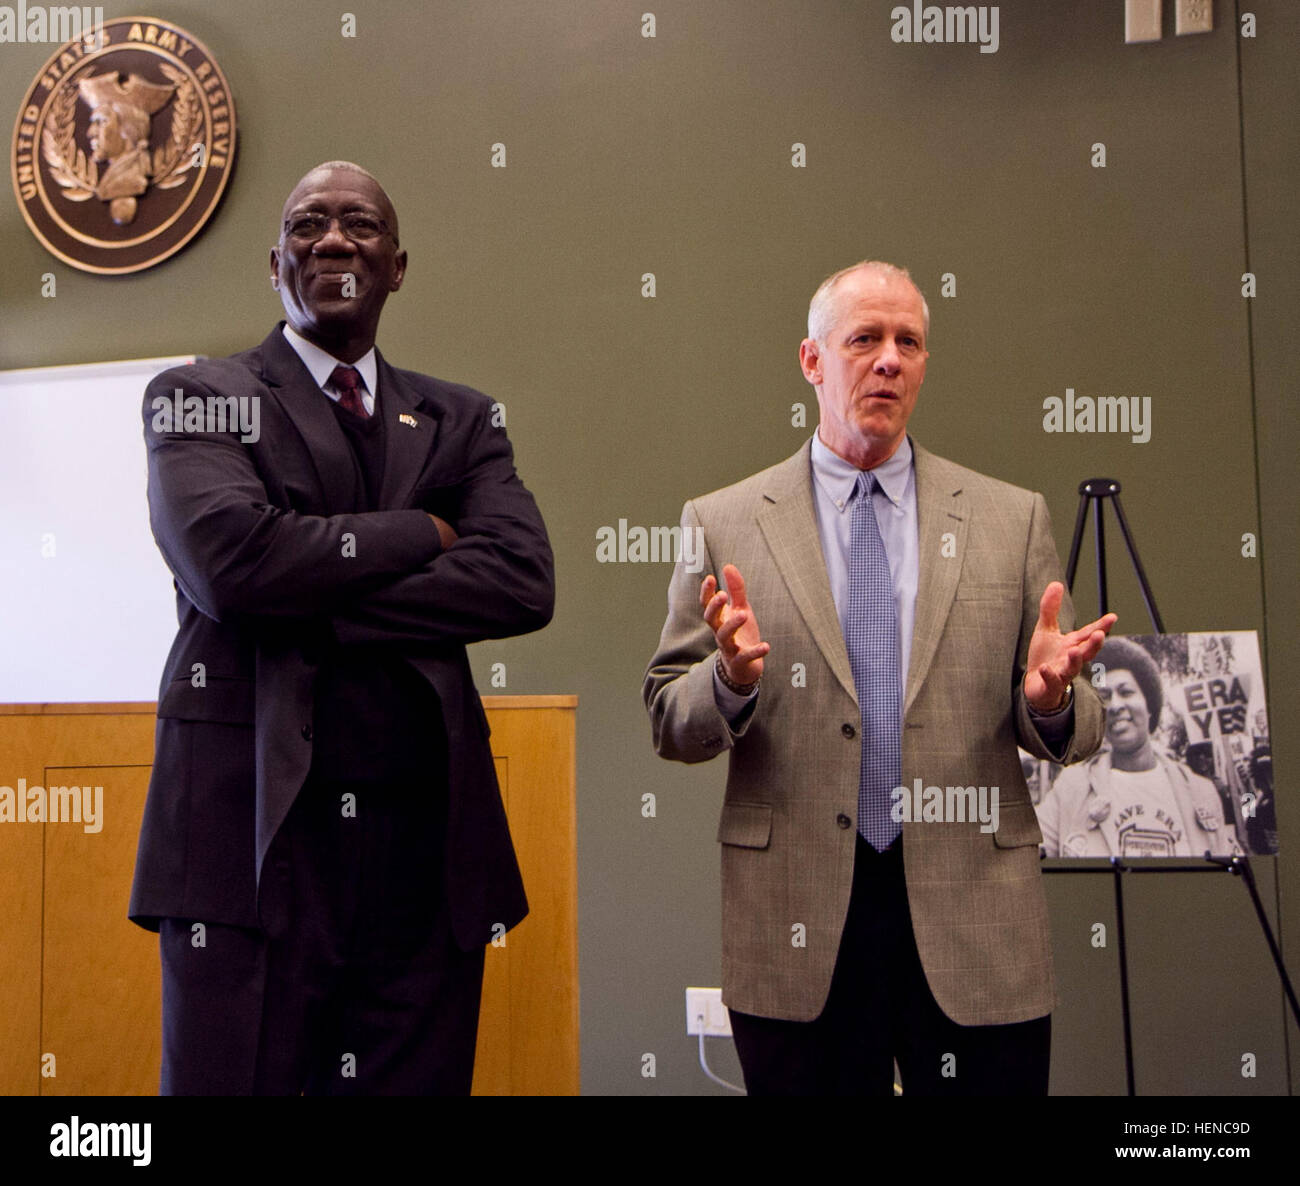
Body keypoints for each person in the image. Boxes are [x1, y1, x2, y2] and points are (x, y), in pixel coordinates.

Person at [128, 161, 555, 1095]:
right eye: (307, 224)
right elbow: (233, 567)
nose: (331, 239)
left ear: (397, 266)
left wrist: (308, 592)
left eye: (358, 224)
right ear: (273, 261)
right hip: (248, 850)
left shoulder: (462, 418)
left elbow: (522, 581)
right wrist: (423, 535)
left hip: (423, 861)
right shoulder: (200, 397)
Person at [644, 260, 1116, 1096]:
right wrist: (728, 681)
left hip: (976, 917)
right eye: (865, 339)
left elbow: (1077, 728)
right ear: (812, 360)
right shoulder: (717, 523)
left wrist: (1049, 704)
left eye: (910, 342)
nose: (890, 359)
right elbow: (668, 718)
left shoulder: (1012, 521)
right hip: (798, 923)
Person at [1038, 637, 1242, 858]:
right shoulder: (1072, 787)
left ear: (1150, 706)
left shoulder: (1201, 791)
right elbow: (1026, 846)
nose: (1115, 706)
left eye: (1126, 692)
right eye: (1104, 697)